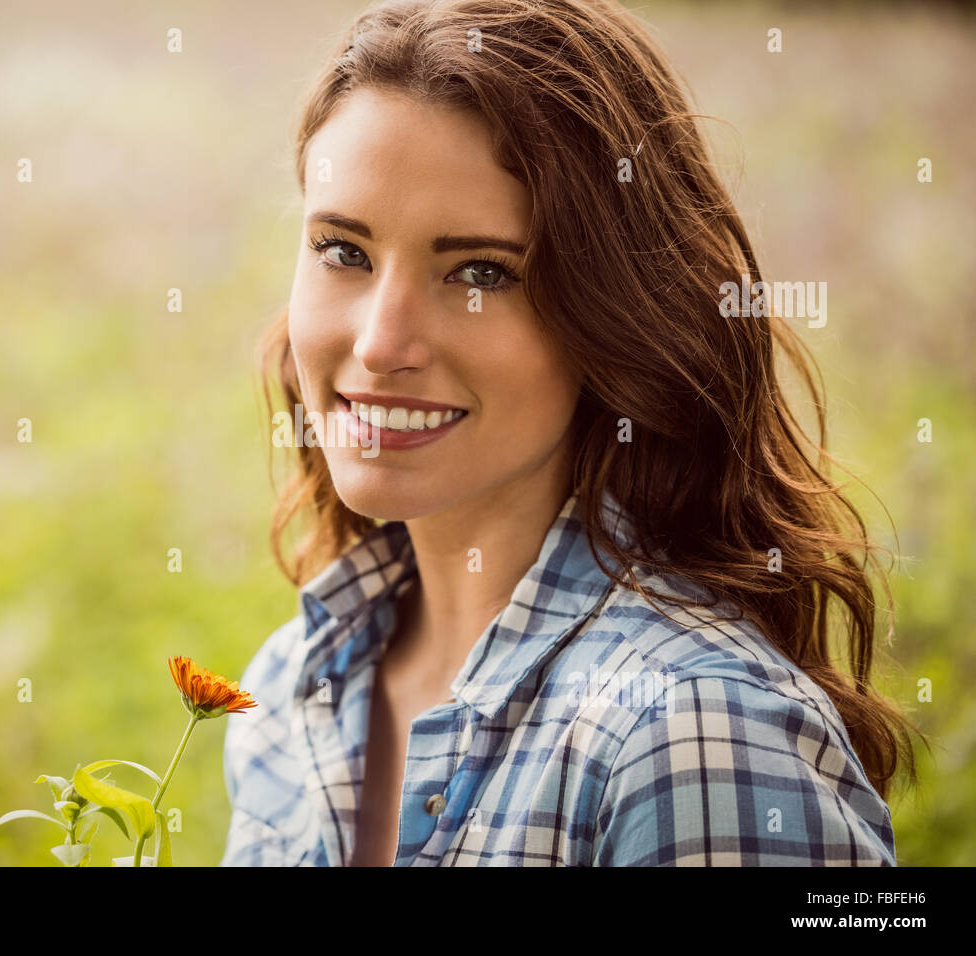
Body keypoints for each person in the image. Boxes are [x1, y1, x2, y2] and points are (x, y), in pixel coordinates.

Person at [220, 0, 920, 866]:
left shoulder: (692, 733)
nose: (379, 343)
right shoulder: (285, 691)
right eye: (344, 251)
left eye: (481, 272)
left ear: (616, 315)